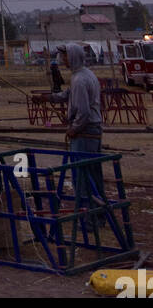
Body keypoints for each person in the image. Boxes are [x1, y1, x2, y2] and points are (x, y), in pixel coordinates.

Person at [54, 43, 104, 206]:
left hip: (85, 132)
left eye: (66, 55)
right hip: (92, 131)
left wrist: (74, 129)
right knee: (93, 173)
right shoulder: (85, 74)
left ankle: (89, 218)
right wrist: (47, 98)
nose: (63, 59)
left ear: (73, 56)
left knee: (82, 176)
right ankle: (99, 216)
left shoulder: (79, 79)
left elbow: (83, 112)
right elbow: (68, 94)